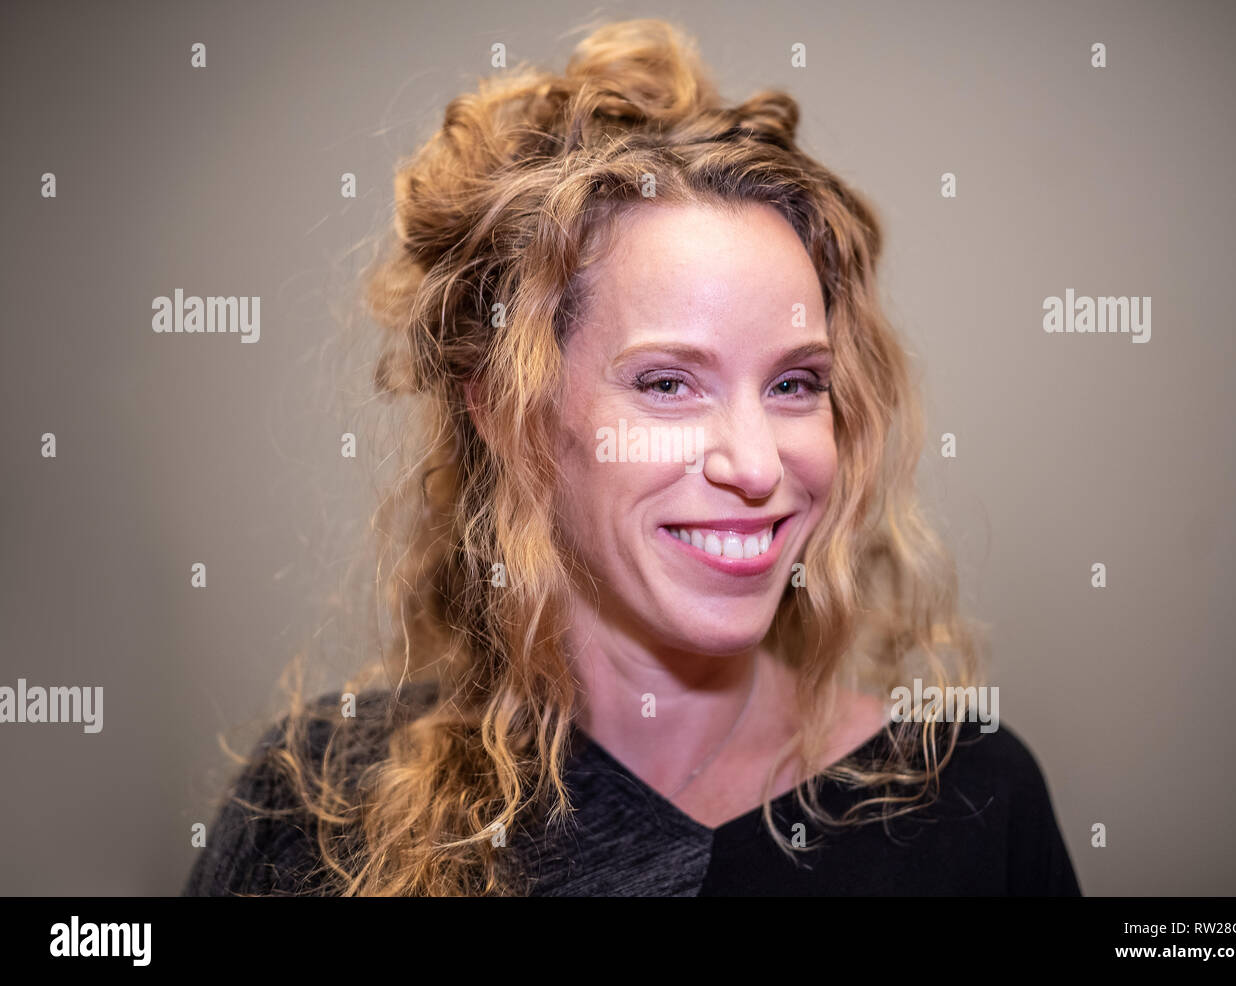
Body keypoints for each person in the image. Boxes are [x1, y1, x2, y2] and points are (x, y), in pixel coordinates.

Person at [184, 17, 1080, 897]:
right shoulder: (316, 808)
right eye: (667, 385)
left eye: (795, 384)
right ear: (505, 409)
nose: (757, 465)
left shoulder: (974, 801)